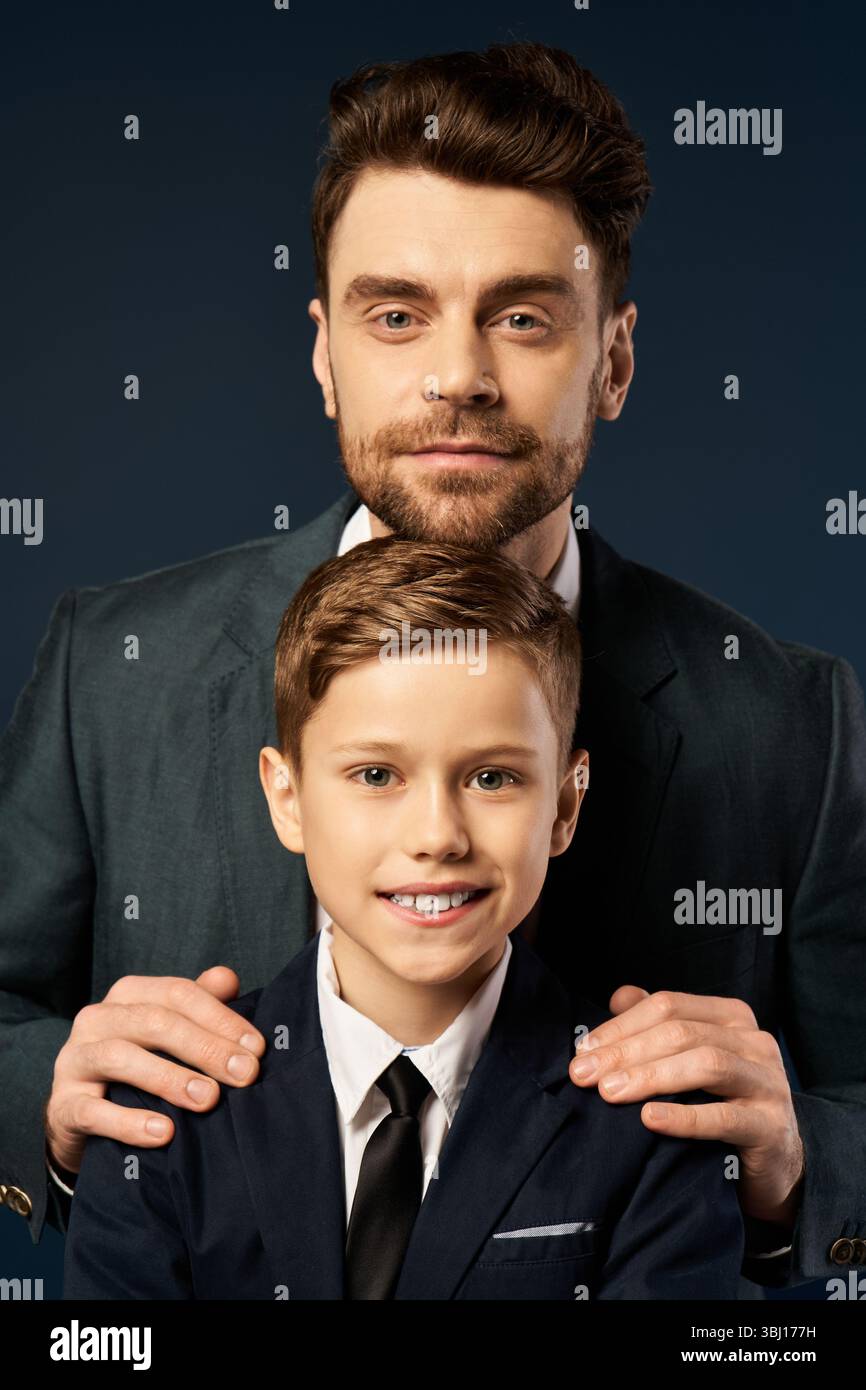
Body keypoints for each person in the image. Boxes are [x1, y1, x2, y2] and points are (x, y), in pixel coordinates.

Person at [1, 41, 864, 1296]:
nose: (456, 377)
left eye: (521, 317)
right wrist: (49, 1090)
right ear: (323, 352)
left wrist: (804, 1158)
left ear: (612, 360)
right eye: (395, 313)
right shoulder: (113, 666)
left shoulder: (787, 718)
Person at [63, 538, 744, 1300]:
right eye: (376, 775)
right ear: (287, 798)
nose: (436, 837)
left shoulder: (657, 1128)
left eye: (493, 777)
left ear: (564, 803)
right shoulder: (157, 1113)